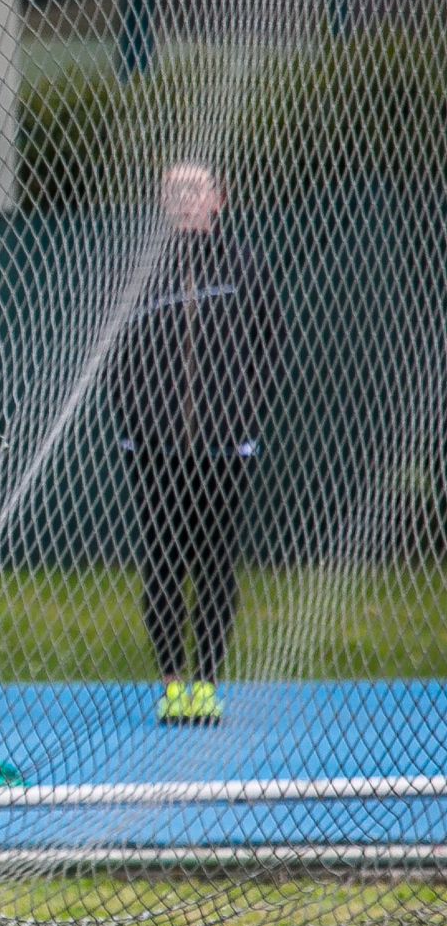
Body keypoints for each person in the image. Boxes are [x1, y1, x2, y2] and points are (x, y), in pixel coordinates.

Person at [107, 160, 288, 725]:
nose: (187, 199)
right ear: (163, 203)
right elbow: (117, 359)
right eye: (175, 191)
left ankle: (207, 682)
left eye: (197, 189)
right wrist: (137, 425)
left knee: (214, 565)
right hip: (155, 451)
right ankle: (171, 683)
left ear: (219, 199)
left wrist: (240, 421)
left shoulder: (247, 265)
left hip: (223, 452)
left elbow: (271, 349)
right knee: (162, 564)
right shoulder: (140, 271)